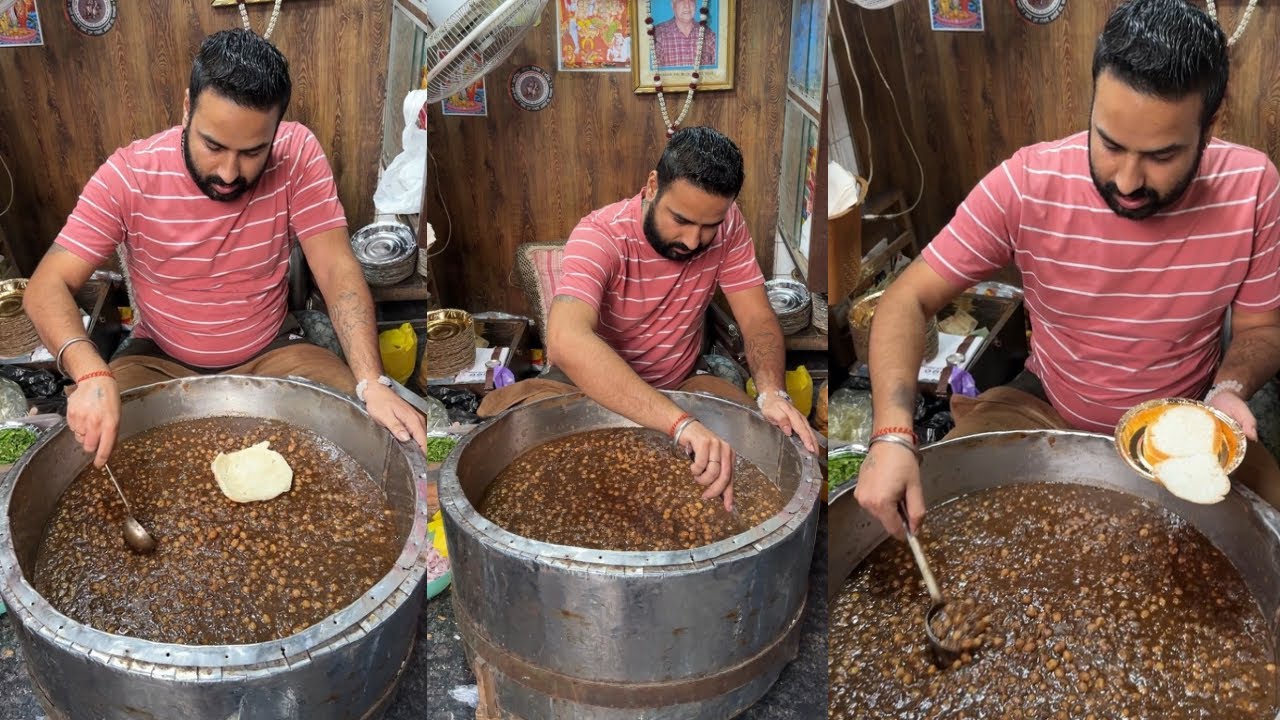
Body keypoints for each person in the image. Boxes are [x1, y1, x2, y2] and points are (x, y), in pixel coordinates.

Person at [855, 0, 1280, 540]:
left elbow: (1262, 330)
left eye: (1162, 155)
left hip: (1187, 425)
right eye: (1109, 143)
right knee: (942, 514)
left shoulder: (1254, 186)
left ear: (1210, 124)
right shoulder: (1026, 183)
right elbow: (905, 299)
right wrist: (891, 434)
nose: (1126, 182)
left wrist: (1229, 390)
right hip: (1047, 407)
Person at [23, 29, 428, 468]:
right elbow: (45, 286)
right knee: (101, 455)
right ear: (186, 108)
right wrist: (91, 371)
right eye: (213, 145)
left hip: (274, 352)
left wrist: (371, 381)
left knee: (361, 433)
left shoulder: (297, 153)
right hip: (160, 361)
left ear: (275, 131)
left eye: (253, 152)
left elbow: (335, 267)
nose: (229, 173)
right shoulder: (128, 175)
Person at [479, 127, 817, 511]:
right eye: (681, 220)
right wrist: (680, 424)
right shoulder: (600, 236)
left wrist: (773, 390)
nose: (693, 240)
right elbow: (566, 339)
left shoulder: (729, 224)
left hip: (683, 384)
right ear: (653, 185)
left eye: (708, 226)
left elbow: (757, 316)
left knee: (758, 460)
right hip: (587, 391)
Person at [653, 0, 716, 69]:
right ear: (673, 5)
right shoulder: (658, 34)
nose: (687, 6)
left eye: (691, 0)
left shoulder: (708, 34)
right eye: (681, 1)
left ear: (695, 4)